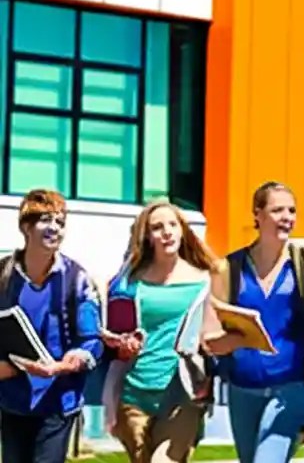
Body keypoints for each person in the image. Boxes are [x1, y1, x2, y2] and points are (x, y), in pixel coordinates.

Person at [207, 181, 304, 463]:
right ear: (257, 215)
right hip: (242, 390)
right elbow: (209, 339)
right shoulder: (228, 269)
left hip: (291, 390)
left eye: (292, 210)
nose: (287, 217)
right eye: (277, 210)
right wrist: (241, 338)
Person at [104, 199, 224, 463]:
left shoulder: (204, 280)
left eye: (172, 224)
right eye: (158, 227)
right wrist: (109, 399)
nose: (167, 232)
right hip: (134, 394)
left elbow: (212, 337)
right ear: (147, 236)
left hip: (182, 393)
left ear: (182, 230)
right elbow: (117, 348)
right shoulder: (131, 283)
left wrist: (210, 372)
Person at [0, 189, 104, 463]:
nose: (55, 228)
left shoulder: (77, 279)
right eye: (46, 220)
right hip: (12, 401)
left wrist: (68, 363)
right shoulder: (3, 275)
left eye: (60, 222)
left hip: (59, 402)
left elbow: (92, 340)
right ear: (26, 227)